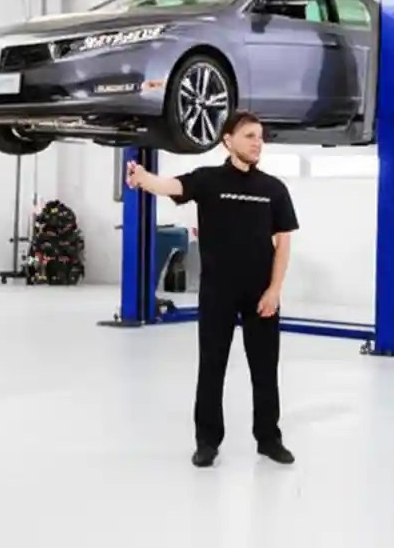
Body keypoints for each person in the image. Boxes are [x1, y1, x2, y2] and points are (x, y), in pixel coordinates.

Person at [124, 110, 298, 468]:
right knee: (212, 367)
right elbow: (171, 185)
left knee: (265, 369)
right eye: (249, 135)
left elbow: (283, 244)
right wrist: (142, 178)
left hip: (261, 295)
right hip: (218, 291)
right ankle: (207, 441)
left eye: (260, 136)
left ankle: (269, 438)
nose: (257, 142)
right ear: (228, 141)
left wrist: (274, 290)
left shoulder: (273, 189)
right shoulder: (209, 180)